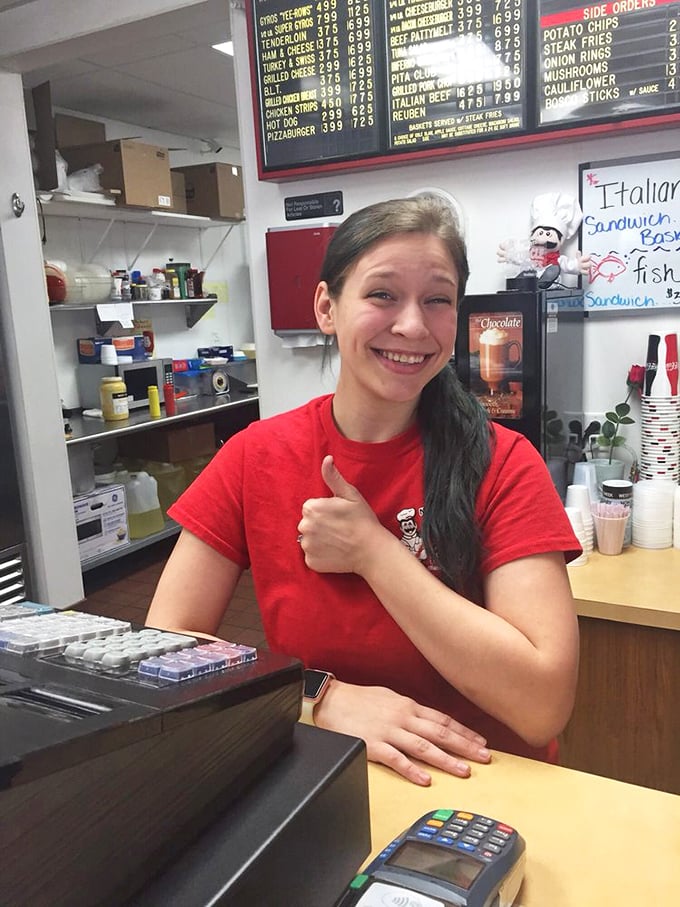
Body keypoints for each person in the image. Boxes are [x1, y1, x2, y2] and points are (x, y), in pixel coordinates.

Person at [146, 196, 580, 786]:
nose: (412, 326)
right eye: (382, 294)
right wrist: (316, 697)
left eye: (437, 300)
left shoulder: (504, 463)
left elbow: (541, 706)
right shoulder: (256, 455)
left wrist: (375, 554)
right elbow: (165, 648)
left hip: (483, 792)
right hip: (323, 776)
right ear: (327, 307)